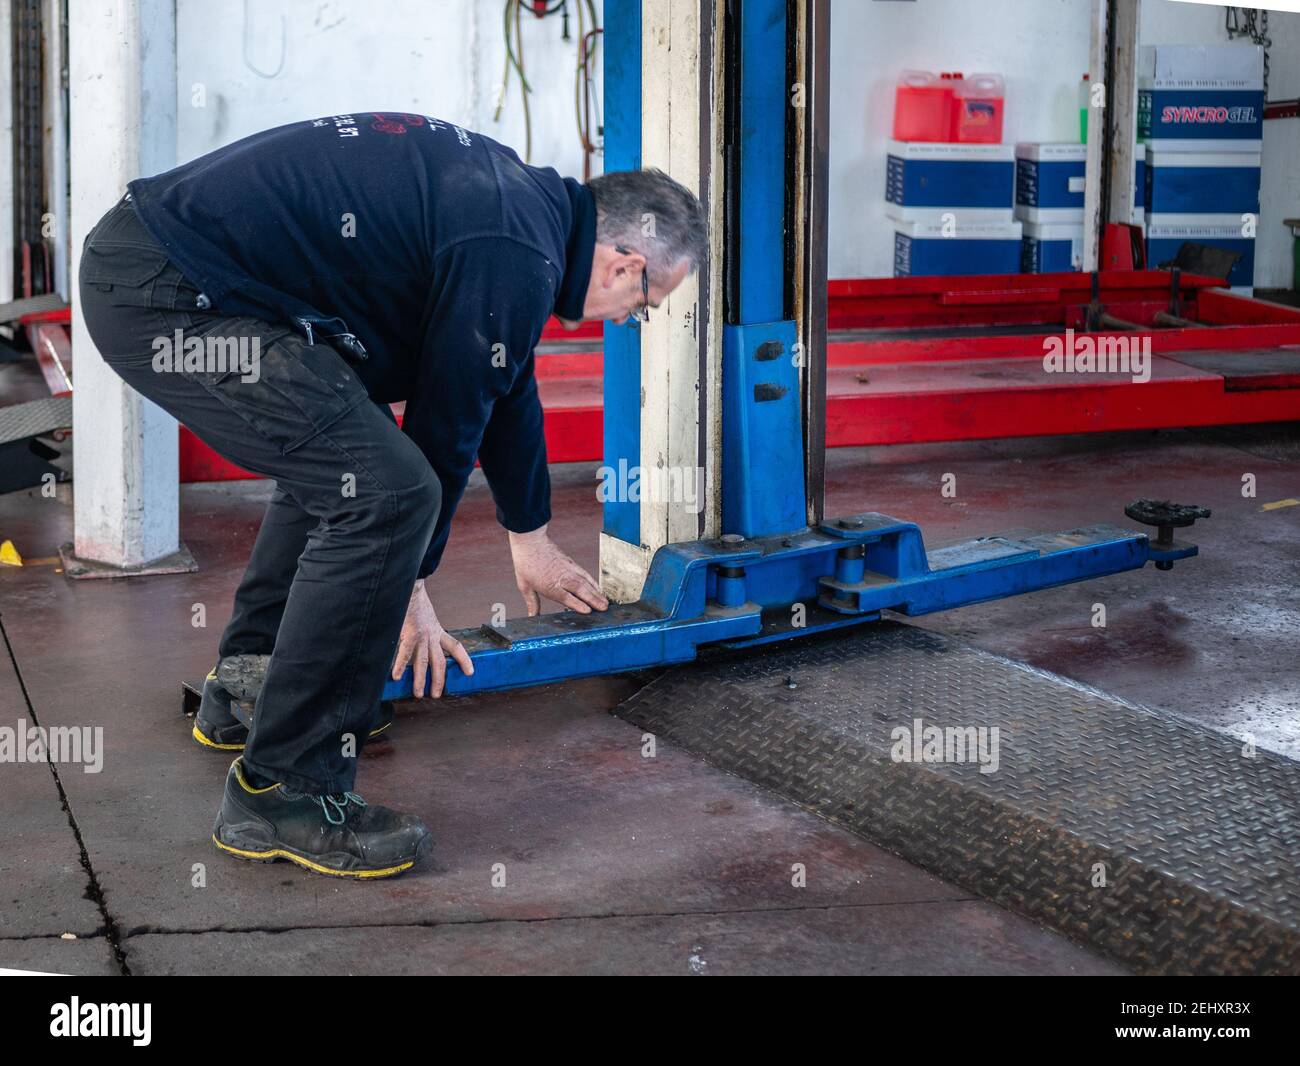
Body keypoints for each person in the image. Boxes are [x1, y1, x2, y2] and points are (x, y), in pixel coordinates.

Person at [78, 112, 707, 879]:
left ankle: (253, 677)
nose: (631, 320)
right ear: (621, 262)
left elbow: (500, 381)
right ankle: (285, 789)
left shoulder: (521, 215)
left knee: (350, 457)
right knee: (388, 492)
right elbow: (444, 432)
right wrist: (407, 579)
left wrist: (528, 533)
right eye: (647, 303)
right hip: (174, 298)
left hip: (164, 270)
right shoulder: (513, 244)